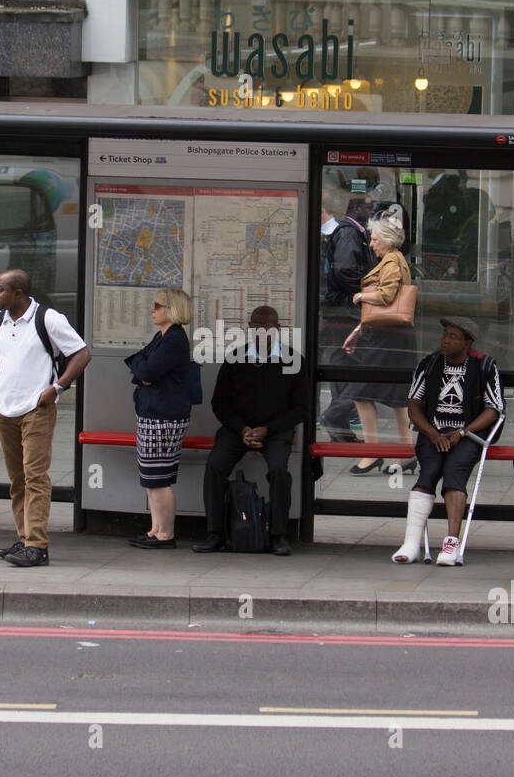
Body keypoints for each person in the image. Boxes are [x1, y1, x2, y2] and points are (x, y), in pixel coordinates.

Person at [0, 269, 90, 568]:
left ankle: (37, 545)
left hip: (36, 408)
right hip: (4, 409)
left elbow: (82, 353)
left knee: (35, 477)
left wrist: (57, 387)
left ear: (18, 293)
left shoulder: (48, 318)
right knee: (17, 478)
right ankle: (24, 538)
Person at [192, 306, 307, 556]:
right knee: (215, 466)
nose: (262, 332)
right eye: (256, 326)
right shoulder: (236, 358)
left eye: (268, 327)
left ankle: (278, 535)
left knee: (278, 470)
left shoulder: (293, 360)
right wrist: (242, 429)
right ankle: (215, 533)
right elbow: (219, 403)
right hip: (238, 429)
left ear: (278, 330)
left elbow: (301, 409)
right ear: (250, 330)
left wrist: (268, 429)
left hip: (276, 431)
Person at [392, 316, 504, 566]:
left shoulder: (484, 365)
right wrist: (432, 433)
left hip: (468, 435)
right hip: (434, 434)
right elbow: (414, 405)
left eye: (453, 336)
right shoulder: (430, 364)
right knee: (428, 473)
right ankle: (411, 544)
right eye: (444, 334)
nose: (445, 340)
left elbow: (493, 409)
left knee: (454, 475)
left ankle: (451, 544)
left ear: (468, 342)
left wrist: (463, 432)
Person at [342, 208, 416, 474]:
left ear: (387, 238)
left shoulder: (392, 262)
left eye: (375, 239)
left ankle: (372, 453)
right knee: (397, 397)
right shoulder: (393, 260)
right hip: (387, 335)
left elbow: (385, 298)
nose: (371, 244)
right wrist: (358, 331)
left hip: (386, 337)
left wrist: (361, 297)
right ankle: (405, 453)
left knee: (361, 392)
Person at [124, 287, 192, 549]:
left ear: (172, 309)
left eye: (158, 305)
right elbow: (140, 365)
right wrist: (142, 366)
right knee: (151, 477)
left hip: (164, 417)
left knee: (159, 478)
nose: (152, 309)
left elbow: (146, 370)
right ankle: (155, 529)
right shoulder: (162, 336)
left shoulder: (174, 339)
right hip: (153, 414)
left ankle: (166, 534)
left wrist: (142, 366)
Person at [318, 189, 370, 444]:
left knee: (342, 368)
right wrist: (368, 290)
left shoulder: (349, 231)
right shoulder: (350, 232)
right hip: (344, 312)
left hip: (338, 311)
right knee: (359, 368)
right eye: (368, 207)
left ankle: (339, 430)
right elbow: (345, 271)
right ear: (355, 208)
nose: (372, 212)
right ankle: (334, 416)